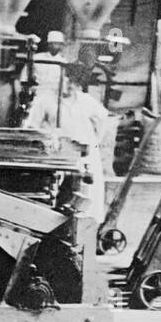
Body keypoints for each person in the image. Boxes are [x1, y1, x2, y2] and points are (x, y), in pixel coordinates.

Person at [25, 70, 110, 221]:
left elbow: (103, 117)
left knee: (89, 194)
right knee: (59, 193)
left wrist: (96, 140)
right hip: (59, 154)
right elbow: (31, 127)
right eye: (67, 81)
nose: (70, 86)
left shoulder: (86, 100)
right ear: (59, 80)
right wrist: (48, 139)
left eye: (74, 83)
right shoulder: (46, 100)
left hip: (85, 153)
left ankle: (89, 226)